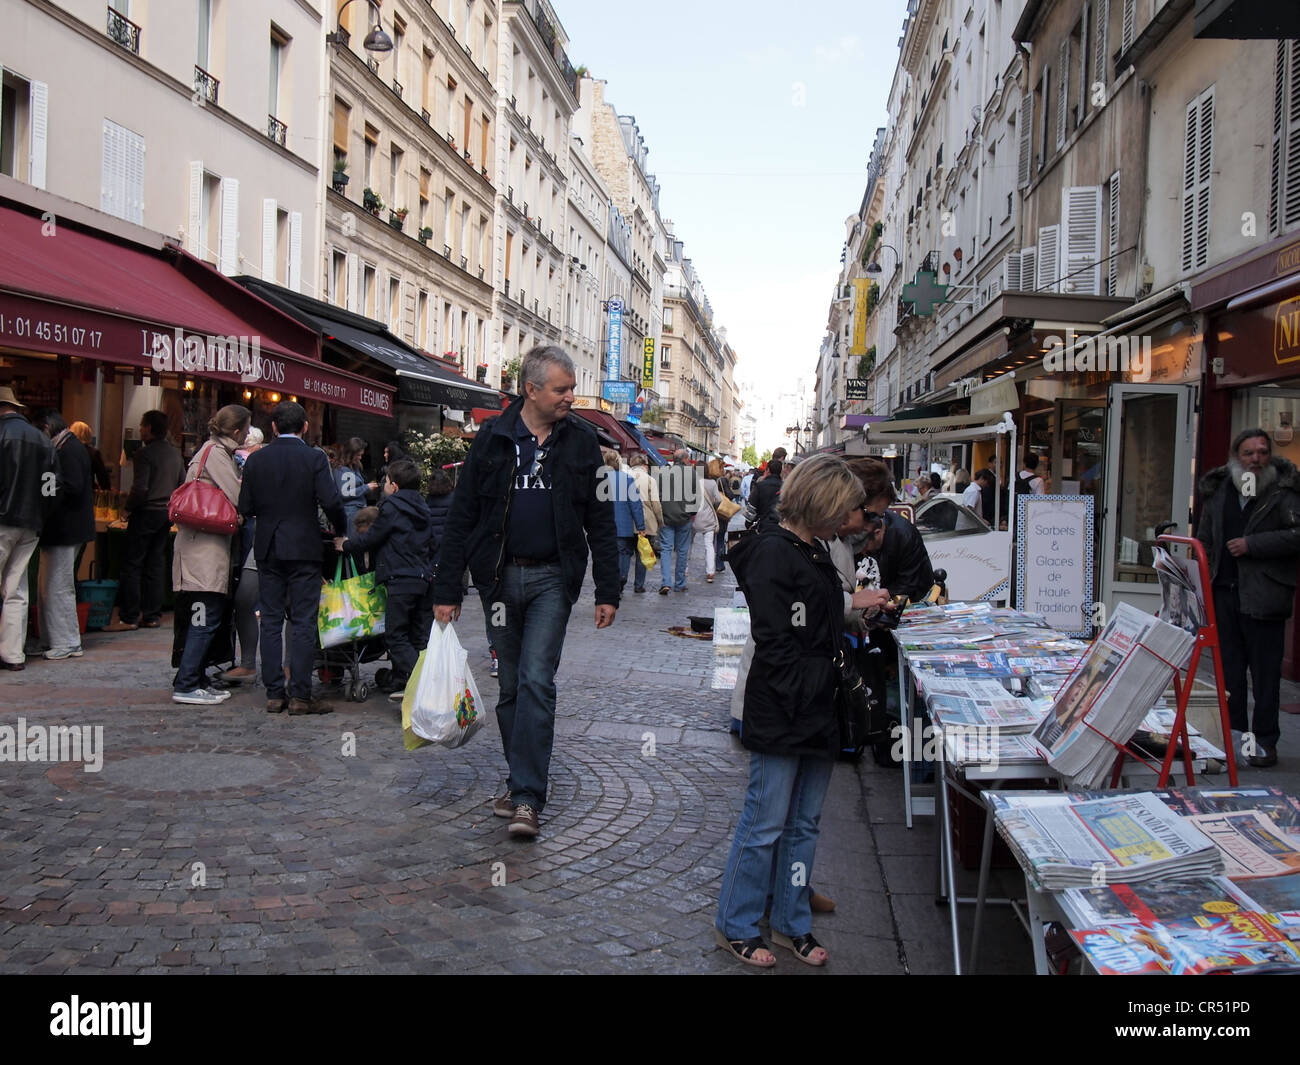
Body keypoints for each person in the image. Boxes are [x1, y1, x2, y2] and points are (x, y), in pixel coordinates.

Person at [432, 345, 620, 839]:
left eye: (571, 388)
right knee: (512, 686)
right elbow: (463, 516)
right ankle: (521, 783)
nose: (570, 398)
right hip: (497, 581)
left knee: (538, 680)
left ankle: (527, 799)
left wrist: (608, 590)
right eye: (562, 389)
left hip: (552, 580)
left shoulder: (581, 442)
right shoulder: (492, 437)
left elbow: (600, 518)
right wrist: (447, 588)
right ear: (530, 389)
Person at [715, 454, 867, 968]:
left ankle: (789, 920)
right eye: (844, 508)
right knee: (765, 823)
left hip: (817, 703)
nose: (850, 518)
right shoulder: (775, 553)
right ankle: (736, 924)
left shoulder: (815, 549)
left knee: (804, 824)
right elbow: (777, 641)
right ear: (822, 503)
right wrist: (817, 679)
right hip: (784, 706)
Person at [1196, 428, 1300, 768]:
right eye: (1248, 453)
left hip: (1265, 594)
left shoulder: (1284, 492)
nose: (1256, 459)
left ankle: (1264, 743)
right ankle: (1233, 738)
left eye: (1262, 452)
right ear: (1235, 457)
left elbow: (1296, 534)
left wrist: (1253, 545)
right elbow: (1205, 539)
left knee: (1266, 676)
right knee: (1229, 675)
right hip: (1223, 594)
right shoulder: (1219, 490)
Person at [238, 401, 347, 715]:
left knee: (271, 619)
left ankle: (275, 693)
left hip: (268, 545)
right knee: (302, 620)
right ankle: (300, 694)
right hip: (303, 545)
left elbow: (246, 506)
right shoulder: (313, 458)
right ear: (305, 427)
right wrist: (341, 530)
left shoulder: (257, 461)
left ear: (273, 427)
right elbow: (331, 500)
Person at [335, 458, 436, 700]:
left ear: (395, 486)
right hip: (422, 578)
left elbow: (372, 538)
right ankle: (404, 680)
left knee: (395, 634)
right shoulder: (423, 507)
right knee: (417, 635)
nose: (384, 485)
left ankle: (422, 681)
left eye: (387, 482)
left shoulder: (391, 507)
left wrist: (346, 545)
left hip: (400, 578)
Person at [172, 405, 249, 705]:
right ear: (236, 431)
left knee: (204, 615)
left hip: (199, 547)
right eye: (246, 428)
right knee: (205, 616)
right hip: (203, 551)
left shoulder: (211, 450)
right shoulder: (216, 453)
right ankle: (187, 682)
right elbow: (237, 497)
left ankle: (196, 678)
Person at [107, 410, 184, 631]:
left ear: (149, 428)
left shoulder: (144, 454)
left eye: (142, 425)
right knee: (156, 563)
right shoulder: (174, 454)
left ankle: (129, 616)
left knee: (132, 564)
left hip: (147, 511)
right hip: (165, 514)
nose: (140, 429)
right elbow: (181, 484)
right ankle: (152, 615)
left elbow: (140, 488)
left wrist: (128, 509)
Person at [0, 386, 55, 670]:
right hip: (30, 522)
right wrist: (40, 516)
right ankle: (13, 654)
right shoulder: (43, 441)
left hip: (3, 520)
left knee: (12, 587)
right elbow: (50, 487)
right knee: (17, 589)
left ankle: (10, 654)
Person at [32, 410, 94, 661]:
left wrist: (47, 494)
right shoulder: (68, 447)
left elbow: (72, 485)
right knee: (48, 586)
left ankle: (67, 641)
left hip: (66, 529)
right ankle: (51, 639)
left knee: (58, 586)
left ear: (47, 428)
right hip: (62, 529)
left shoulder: (68, 450)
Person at [602, 449, 646, 594]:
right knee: (623, 554)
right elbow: (636, 505)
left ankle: (609, 581)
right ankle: (621, 578)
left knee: (606, 555)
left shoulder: (599, 479)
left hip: (603, 526)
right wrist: (640, 526)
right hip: (623, 526)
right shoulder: (627, 479)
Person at [657, 449, 699, 594]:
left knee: (666, 549)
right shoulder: (692, 474)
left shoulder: (663, 473)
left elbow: (658, 496)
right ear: (685, 459)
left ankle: (666, 581)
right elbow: (696, 498)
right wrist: (691, 513)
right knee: (682, 551)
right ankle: (680, 582)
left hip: (666, 517)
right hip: (684, 518)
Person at [626, 452, 662, 593]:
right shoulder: (649, 480)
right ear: (644, 465)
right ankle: (638, 585)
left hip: (628, 521)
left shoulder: (626, 477)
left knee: (625, 553)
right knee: (642, 553)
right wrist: (660, 521)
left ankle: (621, 579)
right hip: (646, 522)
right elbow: (656, 503)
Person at [334, 437, 377, 538]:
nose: (360, 458)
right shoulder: (342, 470)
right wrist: (366, 488)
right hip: (350, 513)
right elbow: (345, 493)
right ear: (350, 454)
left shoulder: (354, 467)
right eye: (358, 455)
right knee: (352, 543)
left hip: (357, 511)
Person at [692, 458, 721, 583]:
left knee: (688, 544)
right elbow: (719, 499)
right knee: (709, 545)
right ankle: (710, 572)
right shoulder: (712, 483)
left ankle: (685, 569)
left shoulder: (692, 482)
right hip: (708, 517)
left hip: (693, 516)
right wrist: (713, 508)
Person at [69, 421, 111, 490]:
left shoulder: (65, 451)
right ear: (88, 435)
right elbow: (102, 477)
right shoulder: (93, 453)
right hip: (86, 492)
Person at [749, 459, 784, 531]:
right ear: (780, 471)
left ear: (768, 470)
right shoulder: (785, 486)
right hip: (779, 526)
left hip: (762, 525)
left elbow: (752, 506)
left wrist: (748, 523)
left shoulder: (760, 486)